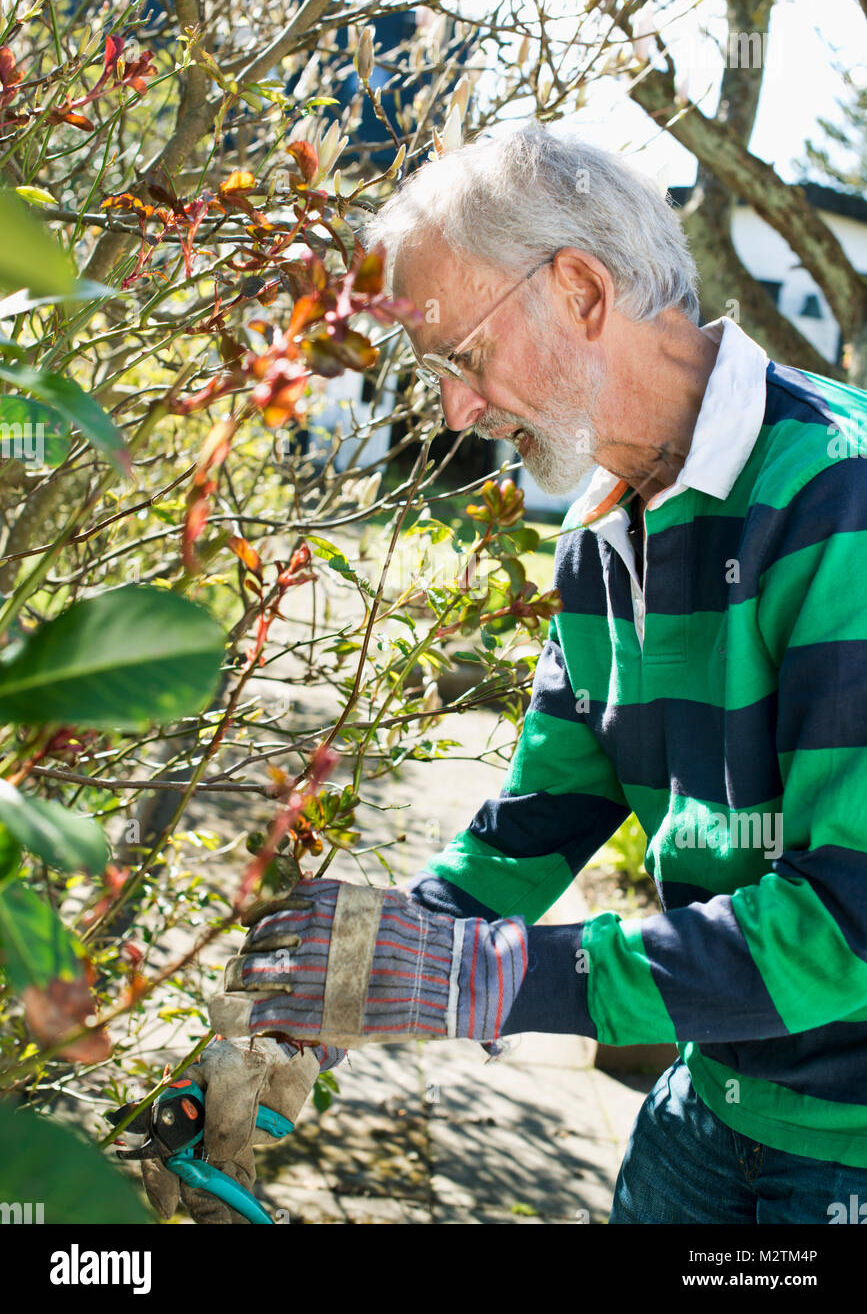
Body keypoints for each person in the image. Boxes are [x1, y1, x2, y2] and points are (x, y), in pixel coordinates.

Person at [147, 121, 867, 1225]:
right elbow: (534, 829)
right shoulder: (602, 532)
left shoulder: (838, 498)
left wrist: (488, 977)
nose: (455, 412)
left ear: (580, 291)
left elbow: (848, 923)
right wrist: (332, 993)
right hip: (712, 1105)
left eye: (462, 356)